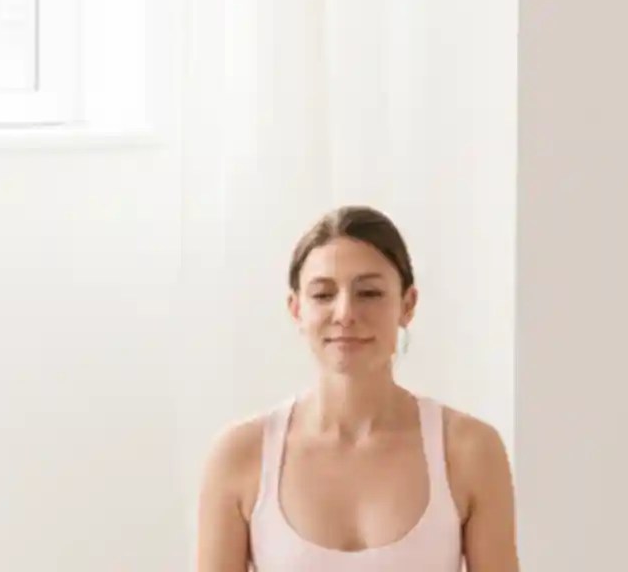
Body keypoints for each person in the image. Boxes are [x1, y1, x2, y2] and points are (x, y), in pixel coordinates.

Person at [197, 205, 519, 571]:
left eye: (369, 293)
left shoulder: (468, 450)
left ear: (407, 304)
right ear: (296, 309)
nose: (346, 313)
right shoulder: (239, 457)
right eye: (323, 294)